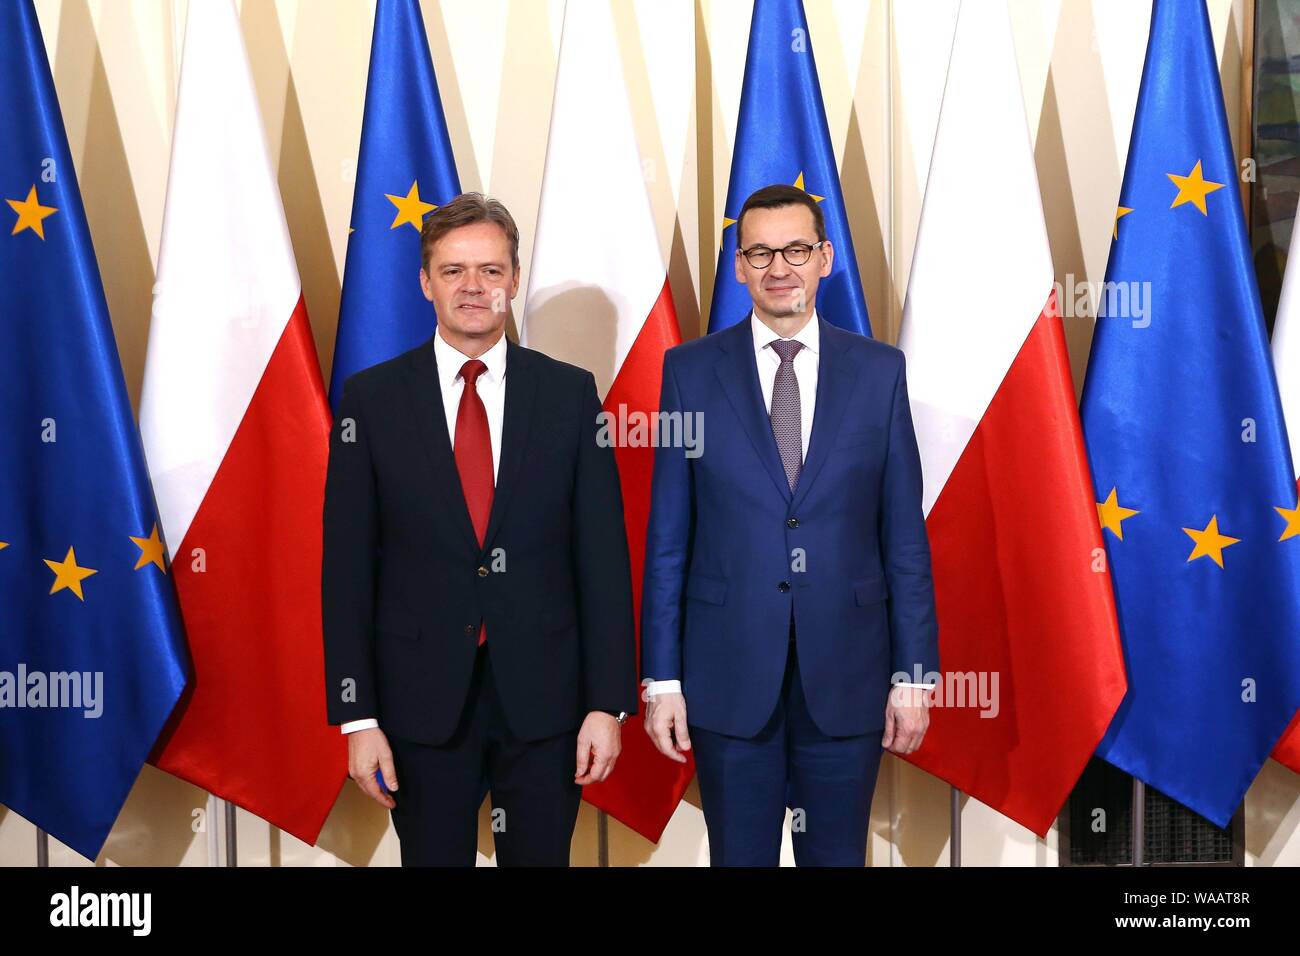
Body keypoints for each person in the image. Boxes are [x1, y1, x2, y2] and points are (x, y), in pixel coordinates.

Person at [322, 192, 636, 866]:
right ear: (425, 281)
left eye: (491, 271)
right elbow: (346, 571)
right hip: (418, 707)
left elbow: (602, 561)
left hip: (548, 706)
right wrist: (358, 718)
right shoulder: (370, 401)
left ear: (514, 281)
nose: (473, 287)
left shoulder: (568, 396)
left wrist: (607, 704)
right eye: (454, 270)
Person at [641, 183, 939, 866]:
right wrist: (661, 680)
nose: (780, 267)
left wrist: (914, 674)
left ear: (825, 257)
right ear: (739, 265)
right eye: (761, 252)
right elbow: (668, 542)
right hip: (727, 678)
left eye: (797, 249)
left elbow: (903, 541)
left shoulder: (879, 372)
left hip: (849, 678)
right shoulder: (688, 373)